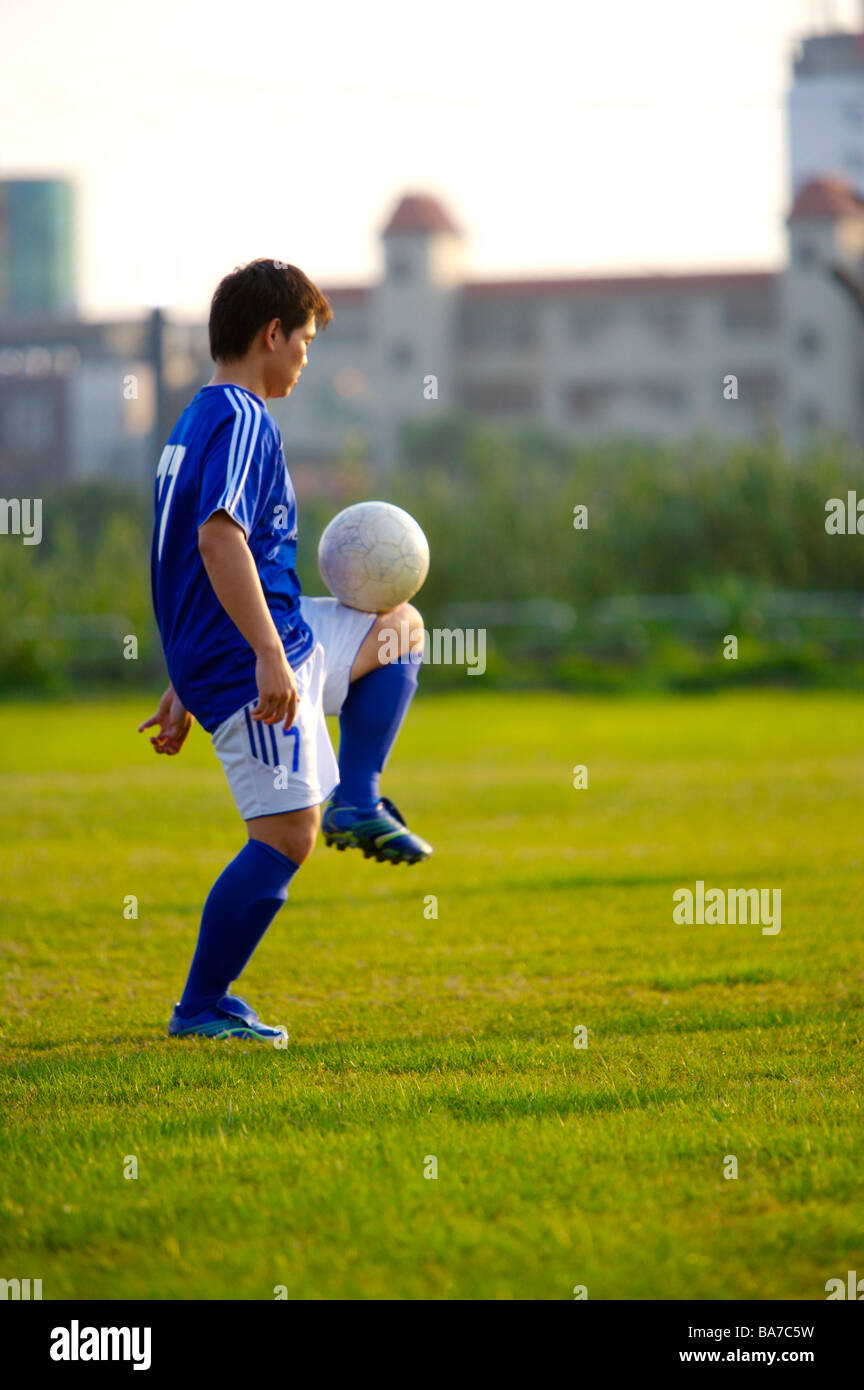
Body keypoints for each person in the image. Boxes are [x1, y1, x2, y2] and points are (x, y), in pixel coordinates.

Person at [138, 259, 431, 1042]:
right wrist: (262, 656)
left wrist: (182, 677)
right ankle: (201, 1007)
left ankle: (358, 798)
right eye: (304, 340)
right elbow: (215, 539)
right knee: (285, 836)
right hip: (252, 656)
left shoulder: (195, 419)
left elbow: (177, 559)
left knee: (398, 627)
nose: (305, 356)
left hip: (262, 639)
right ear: (272, 334)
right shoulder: (242, 418)